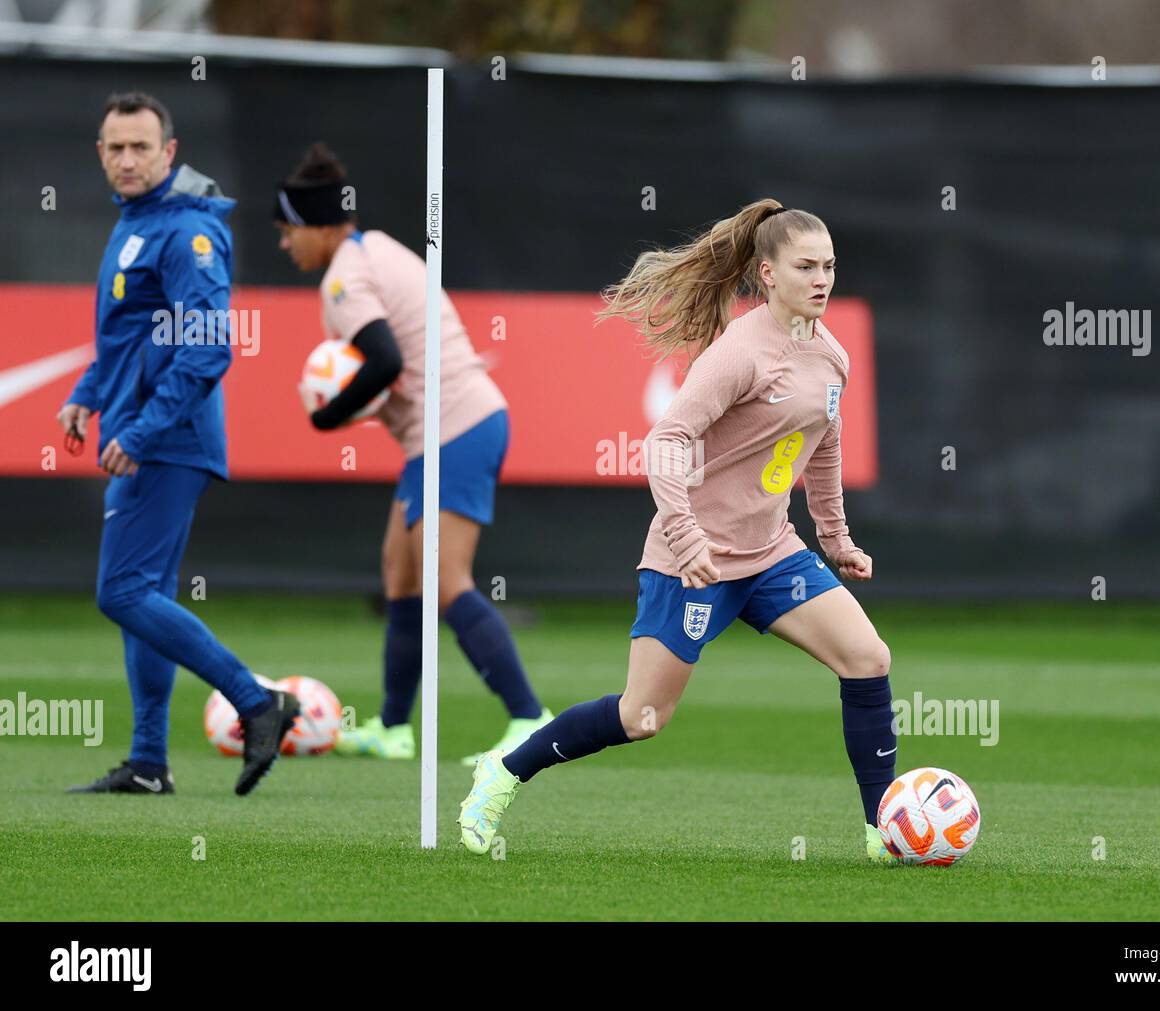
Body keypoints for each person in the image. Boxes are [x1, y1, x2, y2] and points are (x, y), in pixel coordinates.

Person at [458, 198, 899, 862]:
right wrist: (687, 535)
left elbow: (824, 444)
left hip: (772, 552)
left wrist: (834, 538)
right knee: (643, 718)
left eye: (830, 265)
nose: (821, 279)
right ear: (767, 273)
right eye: (805, 266)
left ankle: (882, 831)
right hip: (692, 559)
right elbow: (666, 440)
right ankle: (506, 770)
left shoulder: (830, 354)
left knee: (868, 659)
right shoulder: (740, 352)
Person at [273, 143, 552, 763]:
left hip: (457, 426)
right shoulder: (372, 251)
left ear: (319, 225)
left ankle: (530, 718)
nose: (284, 244)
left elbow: (385, 362)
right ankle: (394, 728)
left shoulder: (345, 277)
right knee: (402, 576)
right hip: (446, 430)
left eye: (288, 231)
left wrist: (328, 415)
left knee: (446, 583)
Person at [61, 92, 298, 797]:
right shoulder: (135, 221)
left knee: (122, 591)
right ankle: (148, 762)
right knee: (149, 594)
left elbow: (207, 349)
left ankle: (256, 700)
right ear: (100, 153)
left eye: (141, 146)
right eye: (115, 147)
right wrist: (87, 394)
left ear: (170, 152)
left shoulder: (189, 230)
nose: (127, 159)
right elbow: (125, 336)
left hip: (166, 438)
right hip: (140, 432)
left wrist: (138, 430)